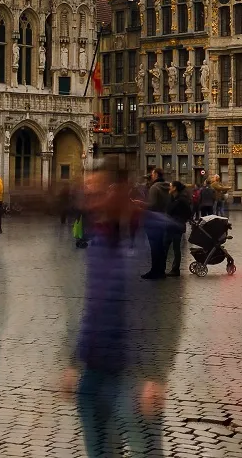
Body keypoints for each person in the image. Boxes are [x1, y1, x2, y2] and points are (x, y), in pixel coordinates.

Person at [61, 168, 180, 457]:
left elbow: (166, 312)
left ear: (118, 190)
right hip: (94, 370)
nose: (90, 202)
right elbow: (89, 304)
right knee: (99, 449)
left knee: (144, 449)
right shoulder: (97, 238)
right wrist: (73, 362)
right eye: (86, 195)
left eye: (97, 194)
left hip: (134, 372)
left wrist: (155, 375)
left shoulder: (152, 230)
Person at [140, 168, 171, 280]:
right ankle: (161, 270)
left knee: (154, 247)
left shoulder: (154, 187)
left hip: (153, 219)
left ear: (156, 175)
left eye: (152, 174)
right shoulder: (168, 186)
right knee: (161, 247)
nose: (151, 176)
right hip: (164, 218)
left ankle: (155, 271)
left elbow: (152, 205)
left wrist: (140, 204)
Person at [165, 182, 191, 276]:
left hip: (176, 226)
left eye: (171, 186)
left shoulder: (180, 200)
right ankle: (170, 268)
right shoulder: (175, 198)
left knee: (175, 247)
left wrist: (181, 220)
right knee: (169, 246)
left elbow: (169, 210)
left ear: (175, 188)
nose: (169, 188)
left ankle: (175, 269)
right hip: (173, 226)